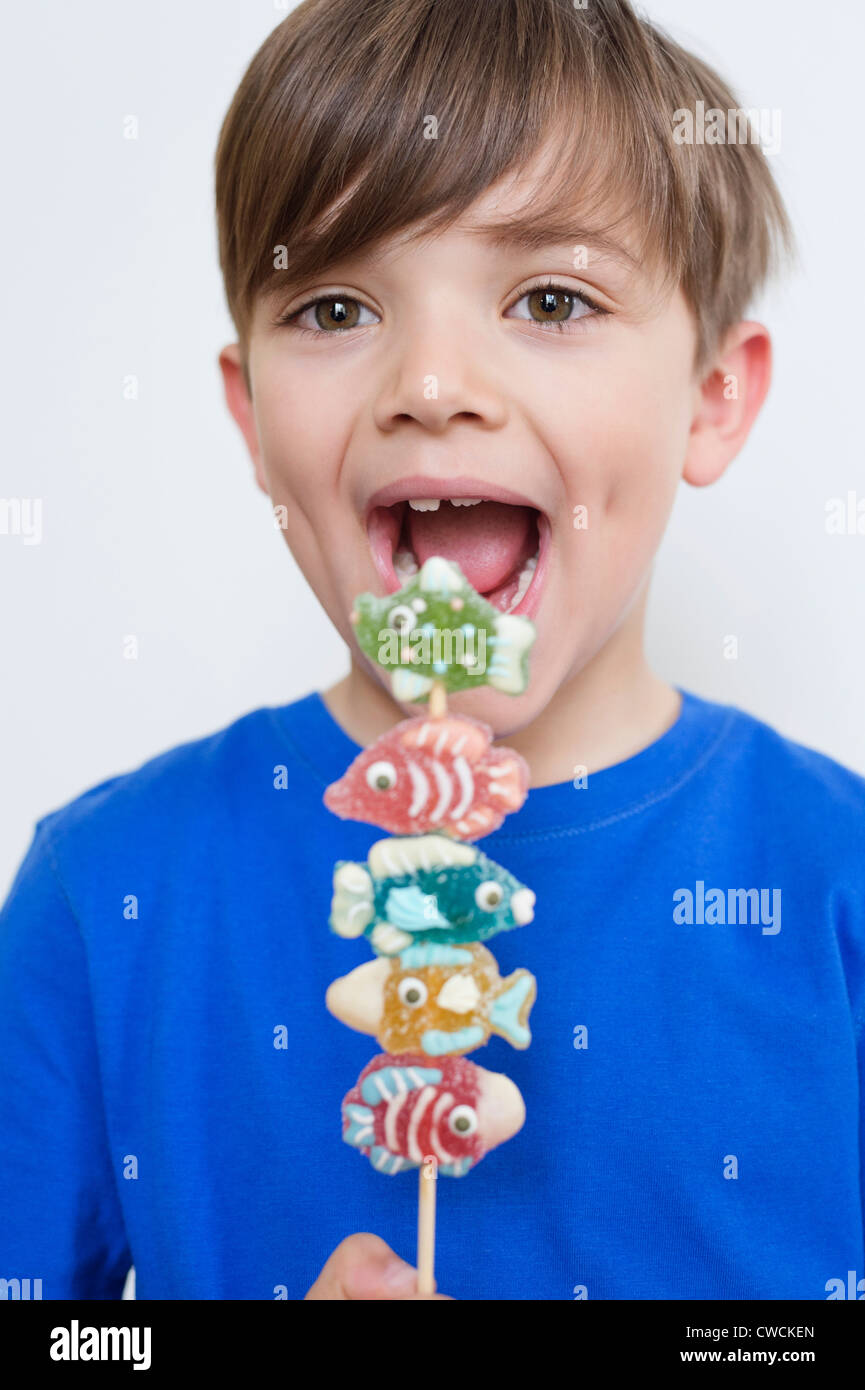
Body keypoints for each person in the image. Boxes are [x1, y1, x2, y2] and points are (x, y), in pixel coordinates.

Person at [1, 0, 862, 1302]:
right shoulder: (102, 892)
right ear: (248, 418)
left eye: (552, 297)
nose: (431, 377)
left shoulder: (835, 880)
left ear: (712, 393)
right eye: (338, 306)